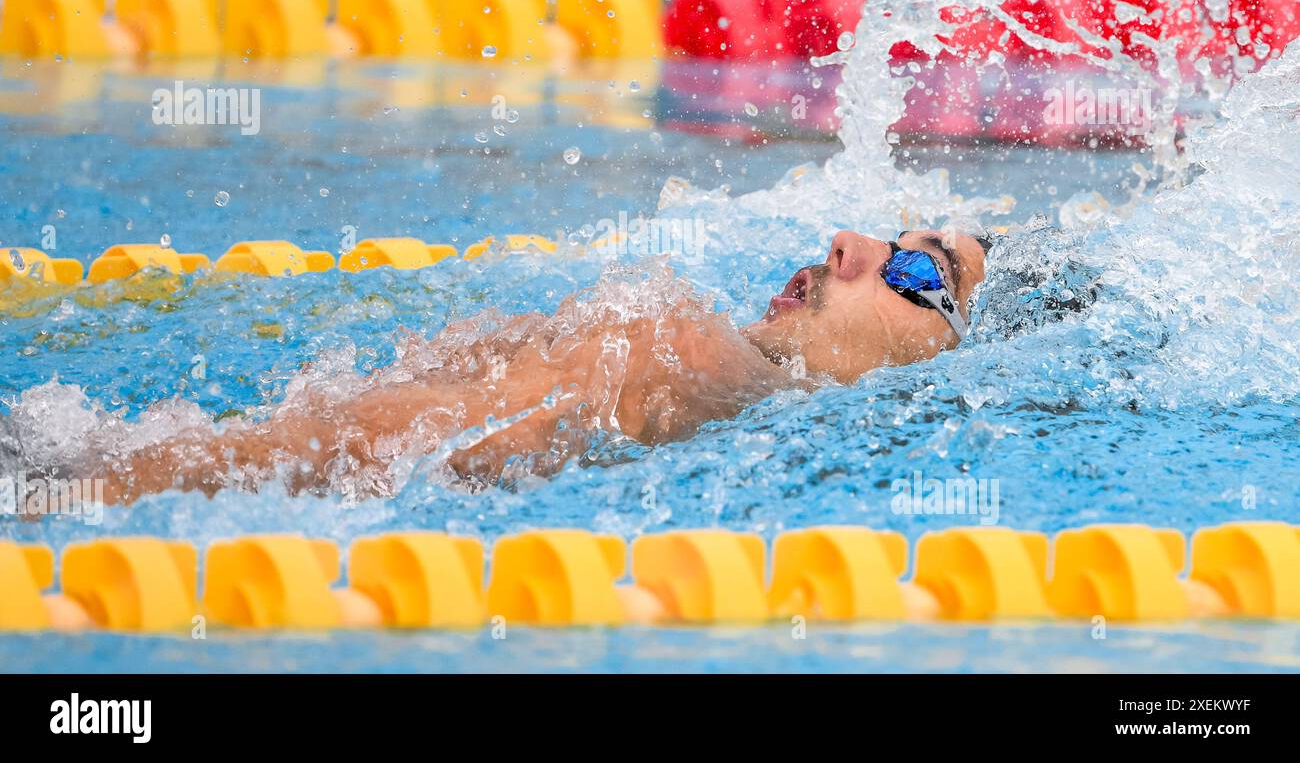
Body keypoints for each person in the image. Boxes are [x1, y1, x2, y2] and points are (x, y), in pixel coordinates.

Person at [97, 228, 989, 504]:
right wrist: (97, 486)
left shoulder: (683, 349)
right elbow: (373, 441)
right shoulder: (678, 347)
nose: (847, 242)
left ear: (944, 356)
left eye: (917, 270)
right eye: (886, 232)